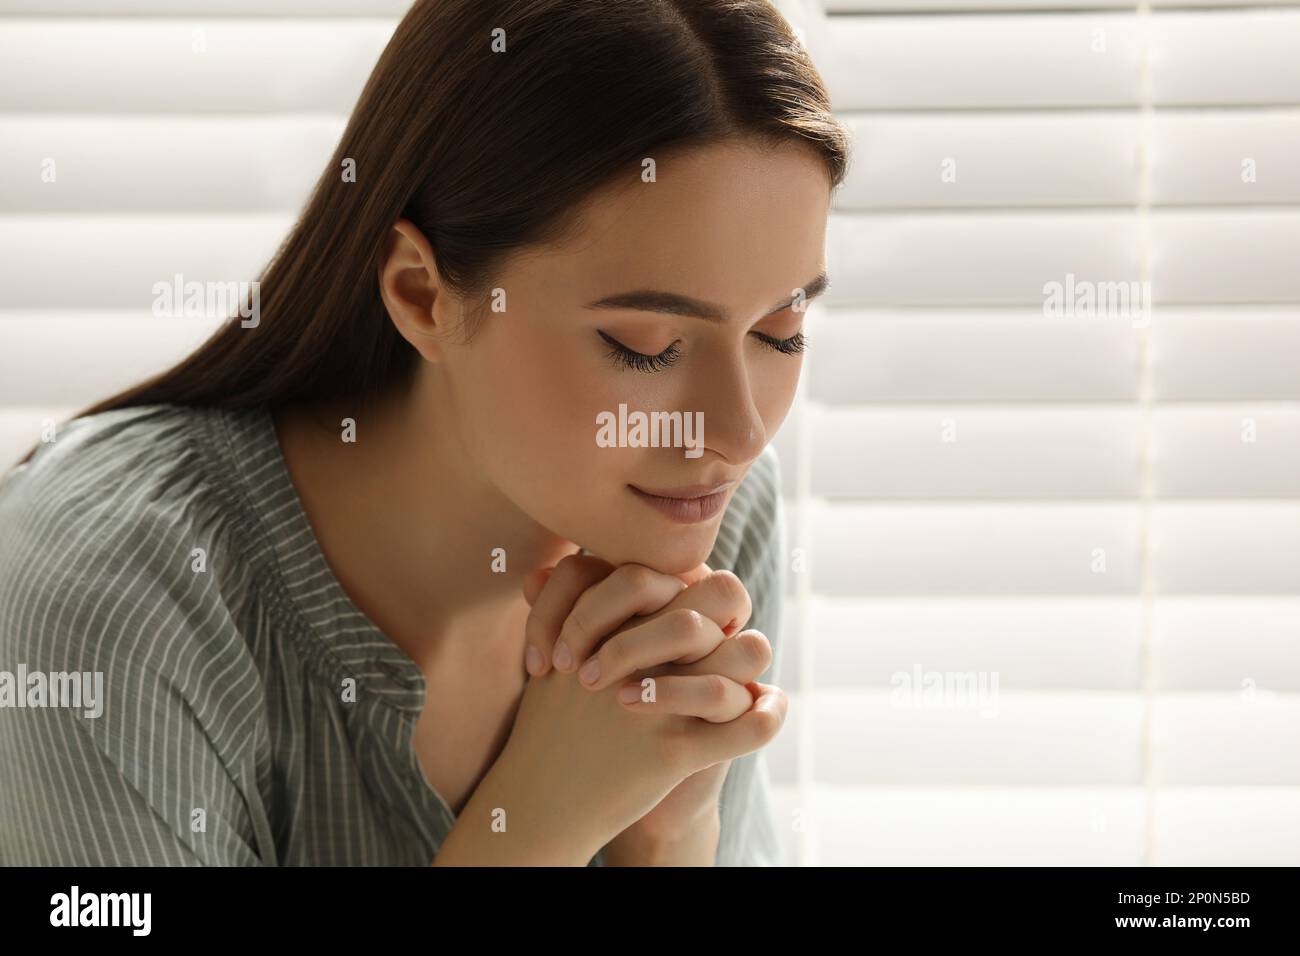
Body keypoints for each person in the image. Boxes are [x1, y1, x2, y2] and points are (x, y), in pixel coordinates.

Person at [0, 0, 849, 865]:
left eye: (780, 332)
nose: (738, 432)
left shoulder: (701, 512)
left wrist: (669, 834)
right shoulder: (116, 598)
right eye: (647, 347)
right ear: (420, 293)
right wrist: (538, 826)